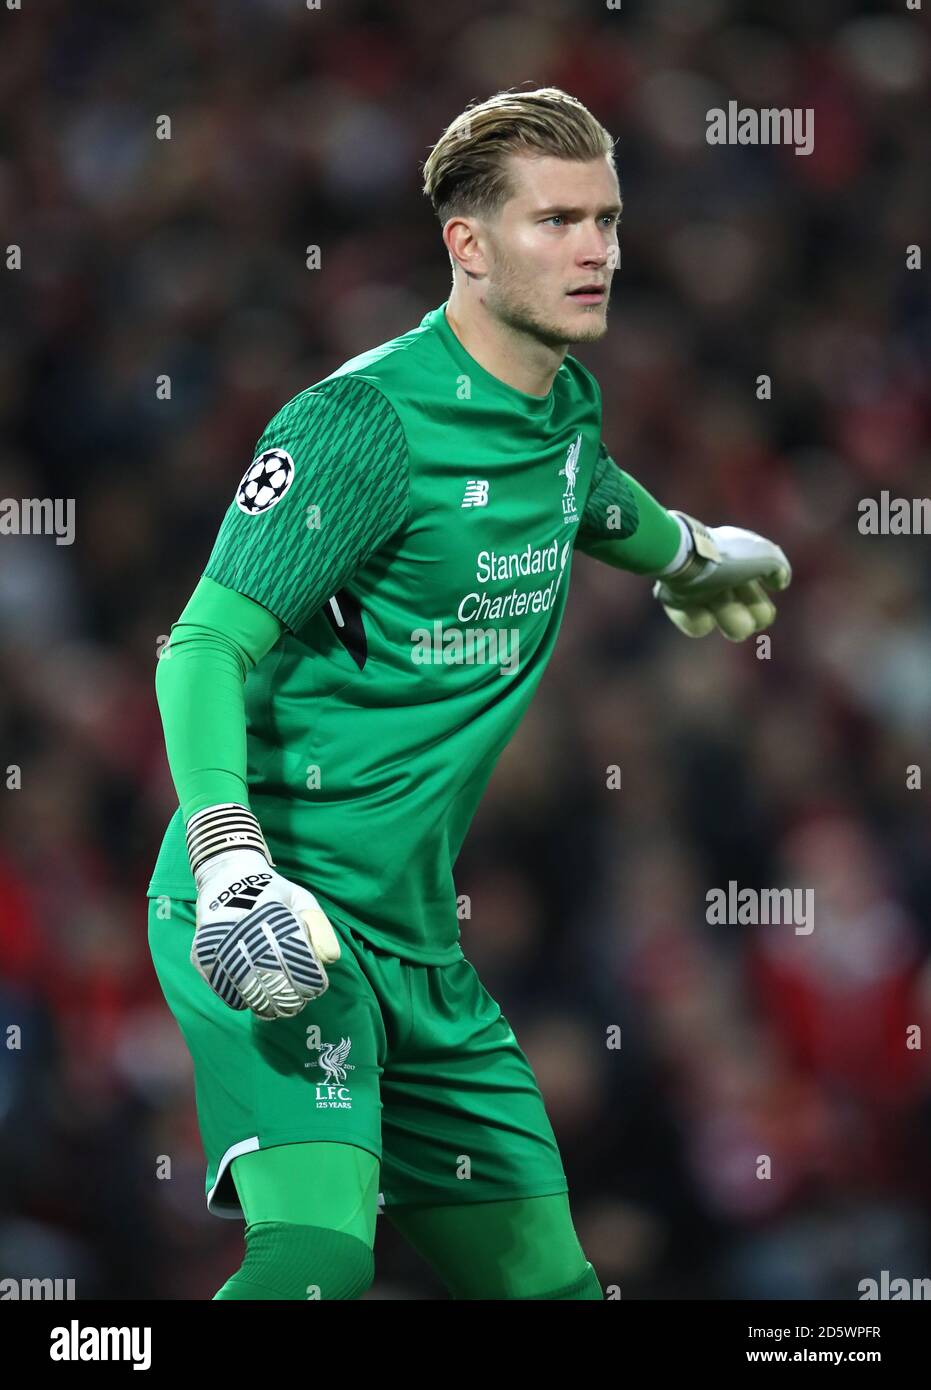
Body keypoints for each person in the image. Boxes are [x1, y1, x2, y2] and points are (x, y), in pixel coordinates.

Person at [147, 86, 790, 1300]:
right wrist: (232, 862)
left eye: (605, 218)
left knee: (551, 1288)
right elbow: (199, 649)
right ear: (467, 244)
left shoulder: (562, 404)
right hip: (274, 903)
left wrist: (691, 554)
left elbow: (581, 488)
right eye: (555, 221)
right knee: (318, 1260)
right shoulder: (356, 424)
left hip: (421, 938)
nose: (595, 248)